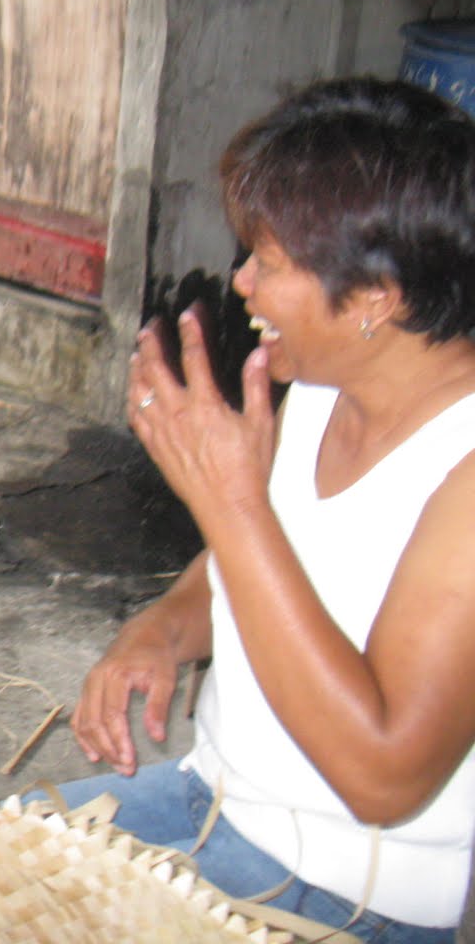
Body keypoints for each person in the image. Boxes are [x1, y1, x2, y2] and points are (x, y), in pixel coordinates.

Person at [64, 78, 475, 941]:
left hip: (340, 896)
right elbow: (250, 568)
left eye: (270, 262)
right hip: (211, 799)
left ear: (375, 299)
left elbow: (385, 774)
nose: (241, 282)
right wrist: (163, 629)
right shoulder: (325, 384)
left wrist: (230, 501)